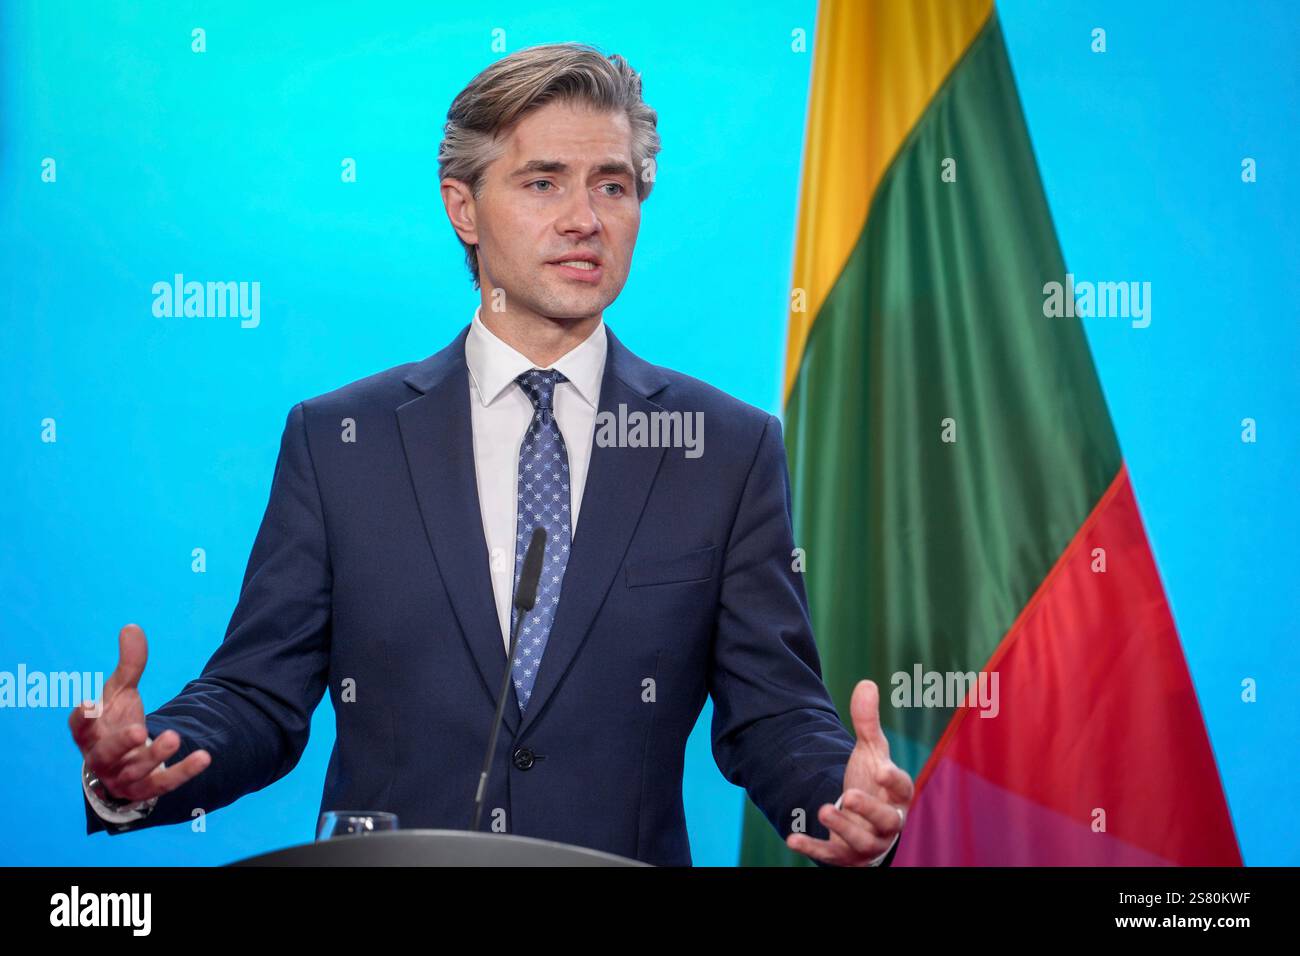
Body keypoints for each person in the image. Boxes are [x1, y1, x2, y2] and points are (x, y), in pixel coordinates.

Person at [69, 42, 911, 866]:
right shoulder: (340, 442)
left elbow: (773, 715)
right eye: (543, 182)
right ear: (463, 207)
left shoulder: (724, 448)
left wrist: (839, 798)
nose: (585, 218)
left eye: (613, 185)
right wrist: (142, 766)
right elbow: (258, 696)